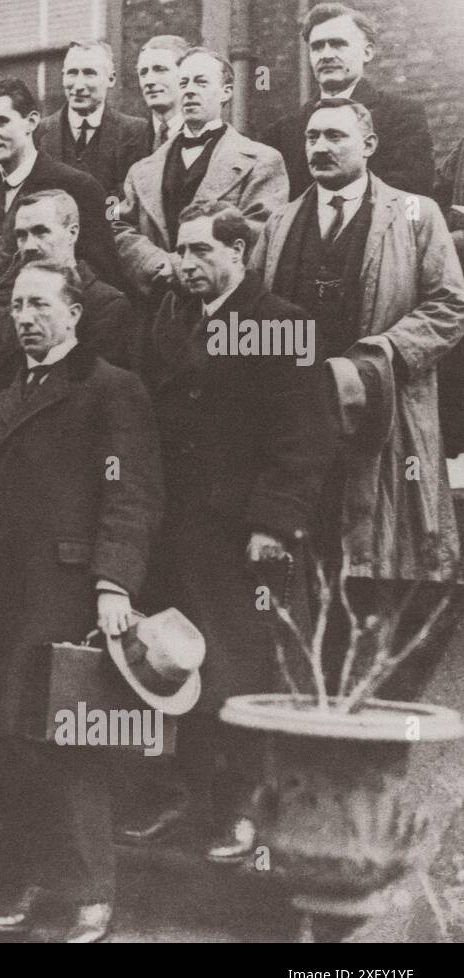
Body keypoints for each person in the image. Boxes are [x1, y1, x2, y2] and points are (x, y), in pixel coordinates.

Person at [0, 263, 163, 943]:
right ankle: (33, 874)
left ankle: (91, 890)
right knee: (7, 744)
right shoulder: (8, 395)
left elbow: (132, 494)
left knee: (71, 747)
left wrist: (113, 583)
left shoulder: (111, 389)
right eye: (16, 305)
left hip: (64, 596)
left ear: (74, 314)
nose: (26, 317)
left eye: (40, 304)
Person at [250, 97, 464, 696]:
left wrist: (379, 356)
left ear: (368, 146)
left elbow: (451, 306)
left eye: (335, 137)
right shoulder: (281, 223)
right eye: (312, 136)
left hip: (388, 423)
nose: (319, 147)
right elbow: (260, 317)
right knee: (312, 568)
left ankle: (381, 701)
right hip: (300, 432)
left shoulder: (416, 216)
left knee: (396, 567)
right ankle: (317, 704)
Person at [144, 201, 334, 860]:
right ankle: (196, 800)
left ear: (238, 253)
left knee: (249, 674)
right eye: (181, 251)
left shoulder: (280, 325)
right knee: (189, 673)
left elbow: (305, 436)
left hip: (246, 541)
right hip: (180, 534)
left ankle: (251, 812)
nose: (187, 264)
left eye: (202, 251)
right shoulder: (171, 323)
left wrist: (274, 521)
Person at [0, 189, 137, 483]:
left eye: (40, 232)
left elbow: (103, 411)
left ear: (72, 232)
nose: (29, 246)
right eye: (21, 236)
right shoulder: (9, 311)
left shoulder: (106, 306)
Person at [0, 76, 125, 392]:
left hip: (43, 366)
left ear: (32, 121)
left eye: (0, 122)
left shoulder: (76, 186)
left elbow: (100, 278)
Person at [111, 47, 288, 298]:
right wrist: (156, 262)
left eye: (201, 82)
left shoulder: (261, 161)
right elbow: (118, 227)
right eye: (183, 82)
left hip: (222, 305)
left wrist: (189, 263)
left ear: (226, 92)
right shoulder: (142, 169)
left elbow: (259, 235)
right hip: (156, 303)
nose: (190, 90)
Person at [261, 2, 434, 200]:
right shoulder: (282, 132)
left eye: (338, 44)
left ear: (367, 52)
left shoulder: (401, 116)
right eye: (317, 47)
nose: (326, 55)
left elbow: (412, 193)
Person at [34, 39, 149, 201]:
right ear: (63, 77)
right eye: (72, 73)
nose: (79, 85)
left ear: (111, 79)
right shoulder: (39, 133)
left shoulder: (135, 132)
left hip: (111, 224)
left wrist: (108, 222)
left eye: (89, 73)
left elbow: (125, 198)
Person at [136, 35, 191, 154]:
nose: (149, 81)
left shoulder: (202, 137)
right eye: (143, 72)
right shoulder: (129, 141)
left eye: (160, 69)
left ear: (184, 74)